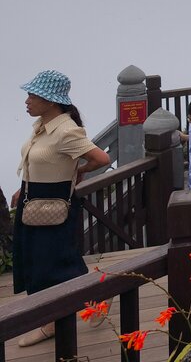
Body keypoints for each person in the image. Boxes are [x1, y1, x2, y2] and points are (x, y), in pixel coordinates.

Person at [12, 71, 110, 347]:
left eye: (33, 95)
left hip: (52, 204)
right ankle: (64, 312)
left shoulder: (66, 130)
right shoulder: (43, 125)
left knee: (54, 265)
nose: (27, 101)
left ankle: (54, 320)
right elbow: (40, 160)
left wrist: (79, 170)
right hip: (34, 199)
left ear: (51, 101)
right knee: (40, 261)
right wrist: (24, 187)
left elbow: (101, 158)